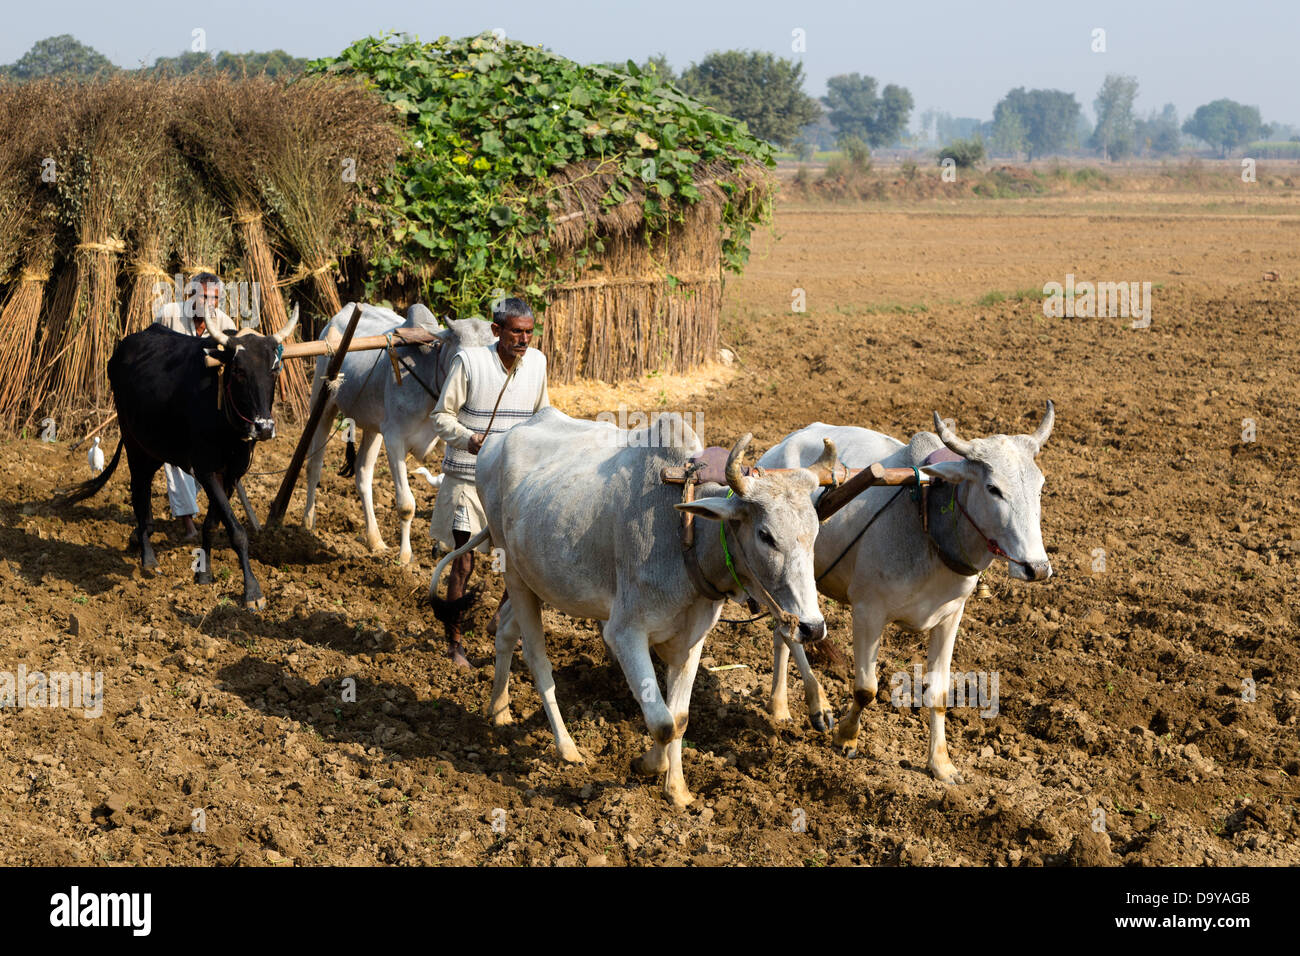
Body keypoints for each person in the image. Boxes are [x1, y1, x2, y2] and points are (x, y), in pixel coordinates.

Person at [430, 297, 548, 668]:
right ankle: (454, 645)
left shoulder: (538, 364)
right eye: (516, 331)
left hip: (515, 485)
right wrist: (470, 439)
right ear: (497, 331)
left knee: (522, 565)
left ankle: (502, 622)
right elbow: (440, 417)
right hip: (468, 478)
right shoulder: (469, 363)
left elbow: (543, 416)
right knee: (463, 564)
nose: (524, 339)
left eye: (529, 332)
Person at [153, 272, 238, 540]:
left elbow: (236, 360)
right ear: (191, 295)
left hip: (207, 405)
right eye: (203, 297)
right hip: (173, 403)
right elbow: (154, 347)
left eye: (214, 298)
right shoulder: (169, 314)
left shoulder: (224, 323)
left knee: (211, 459)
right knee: (176, 459)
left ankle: (205, 509)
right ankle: (188, 523)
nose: (208, 303)